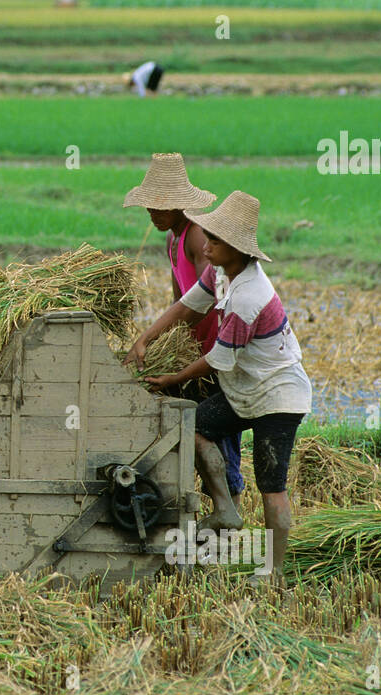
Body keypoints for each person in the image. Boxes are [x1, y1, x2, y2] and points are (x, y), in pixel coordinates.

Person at [132, 191, 310, 578]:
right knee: (193, 427)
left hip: (278, 396)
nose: (205, 245)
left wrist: (172, 378)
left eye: (213, 241)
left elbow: (219, 359)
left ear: (235, 248)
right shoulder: (219, 274)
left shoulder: (250, 296)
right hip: (246, 389)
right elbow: (186, 307)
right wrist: (144, 339)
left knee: (271, 486)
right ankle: (226, 511)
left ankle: (273, 571)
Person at [123, 153, 244, 503]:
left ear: (180, 206)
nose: (151, 212)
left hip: (216, 355)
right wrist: (164, 345)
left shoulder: (197, 239)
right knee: (200, 431)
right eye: (149, 205)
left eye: (160, 205)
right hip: (195, 353)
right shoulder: (173, 240)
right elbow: (180, 301)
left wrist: (203, 354)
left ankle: (230, 513)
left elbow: (211, 298)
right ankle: (220, 509)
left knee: (219, 437)